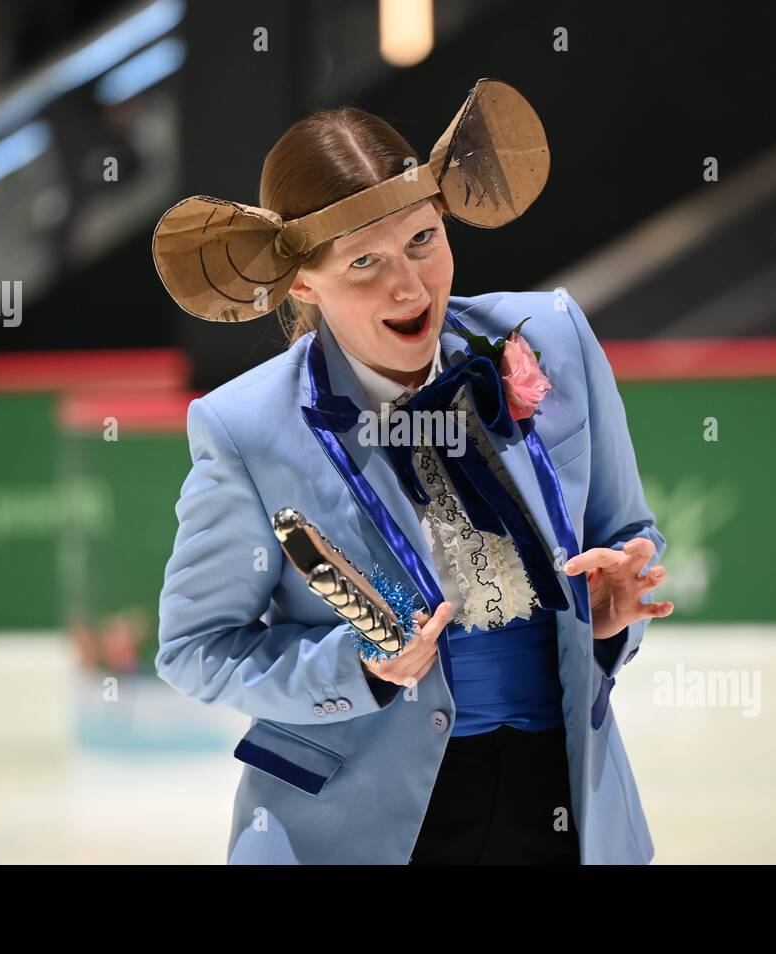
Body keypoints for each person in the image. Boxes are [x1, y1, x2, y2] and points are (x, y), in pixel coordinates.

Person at [151, 79, 672, 864]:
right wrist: (353, 666)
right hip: (361, 824)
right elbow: (197, 649)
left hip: (565, 800)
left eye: (423, 241)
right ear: (302, 283)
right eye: (364, 261)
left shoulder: (553, 338)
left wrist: (612, 607)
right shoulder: (245, 428)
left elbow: (626, 532)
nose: (408, 284)